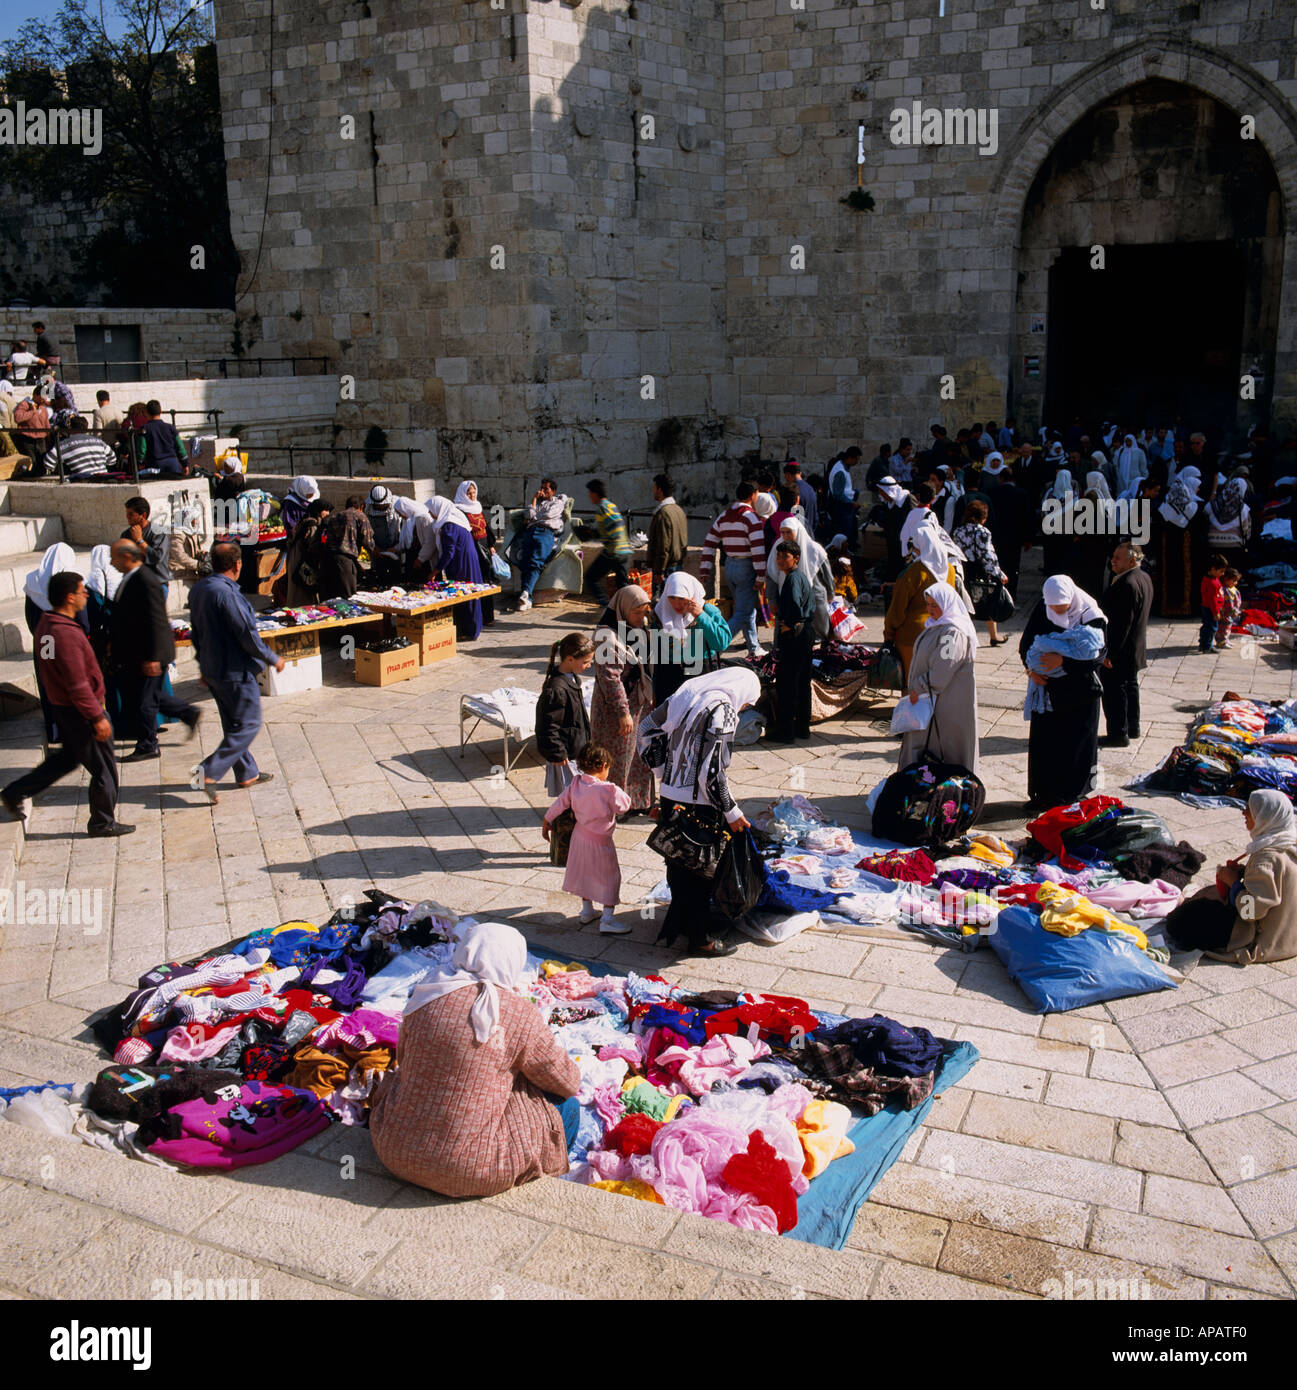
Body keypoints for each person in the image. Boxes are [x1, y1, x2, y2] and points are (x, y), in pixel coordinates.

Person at [369, 921, 581, 1197]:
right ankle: (544, 1184)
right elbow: (566, 1082)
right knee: (568, 1108)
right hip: (470, 1171)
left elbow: (405, 1058)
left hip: (393, 1150)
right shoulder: (518, 1013)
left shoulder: (428, 992)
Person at [638, 667, 761, 958]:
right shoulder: (724, 709)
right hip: (699, 803)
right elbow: (712, 771)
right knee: (700, 873)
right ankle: (700, 939)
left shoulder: (688, 694)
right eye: (749, 702)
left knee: (677, 866)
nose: (745, 707)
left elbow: (645, 729)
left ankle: (680, 924)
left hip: (671, 795)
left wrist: (664, 771)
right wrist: (731, 811)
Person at [1, 571, 132, 837]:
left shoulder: (46, 626)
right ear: (70, 597)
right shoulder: (66, 635)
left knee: (64, 761)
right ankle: (102, 821)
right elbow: (77, 683)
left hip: (65, 709)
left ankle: (14, 792)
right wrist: (96, 716)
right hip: (82, 713)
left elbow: (52, 671)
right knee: (104, 768)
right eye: (82, 591)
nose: (86, 594)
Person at [188, 542, 284, 803]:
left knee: (233, 724)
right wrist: (271, 657)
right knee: (249, 724)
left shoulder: (199, 589)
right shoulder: (227, 594)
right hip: (234, 670)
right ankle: (207, 772)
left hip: (213, 668)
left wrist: (201, 665)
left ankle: (247, 773)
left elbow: (196, 633)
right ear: (238, 565)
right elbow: (246, 634)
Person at [1163, 790, 1297, 964]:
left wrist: (1233, 882)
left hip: (1263, 940)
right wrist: (1243, 873)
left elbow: (1251, 912)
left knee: (1183, 919)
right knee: (1202, 901)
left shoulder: (1265, 858)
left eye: (1250, 809)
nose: (1244, 812)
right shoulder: (1288, 843)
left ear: (1264, 816)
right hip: (1289, 935)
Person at [1019, 575, 1108, 810]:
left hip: (1080, 692)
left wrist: (1063, 661)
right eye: (1054, 608)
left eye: (1063, 608)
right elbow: (1026, 642)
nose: (1058, 614)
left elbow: (1098, 654)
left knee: (1077, 744)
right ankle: (1043, 794)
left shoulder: (1091, 615)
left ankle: (1073, 795)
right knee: (1046, 743)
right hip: (1049, 689)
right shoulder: (1044, 607)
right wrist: (1031, 672)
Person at [108, 540, 200, 761]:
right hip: (137, 652)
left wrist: (153, 657)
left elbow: (155, 621)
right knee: (148, 695)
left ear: (127, 557)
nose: (111, 562)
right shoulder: (131, 578)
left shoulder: (145, 580)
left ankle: (148, 744)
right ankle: (187, 712)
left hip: (149, 654)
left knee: (145, 701)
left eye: (115, 557)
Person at [542, 742, 632, 934]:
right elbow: (624, 806)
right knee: (609, 877)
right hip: (601, 843)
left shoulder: (575, 783)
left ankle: (587, 910)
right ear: (602, 767)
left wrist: (546, 819)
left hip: (579, 837)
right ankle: (607, 919)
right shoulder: (608, 790)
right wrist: (616, 789)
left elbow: (560, 803)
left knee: (584, 874)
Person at [898, 581, 980, 773]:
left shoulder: (952, 634)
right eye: (928, 604)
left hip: (947, 707)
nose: (929, 609)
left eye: (935, 605)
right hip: (932, 702)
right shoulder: (937, 627)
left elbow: (941, 673)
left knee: (946, 750)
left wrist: (916, 687)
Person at [590, 584, 656, 814]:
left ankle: (636, 801)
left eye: (644, 612)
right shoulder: (606, 636)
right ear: (623, 609)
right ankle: (614, 805)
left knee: (638, 755)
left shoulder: (637, 628)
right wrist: (623, 712)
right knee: (617, 758)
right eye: (636, 612)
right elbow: (610, 677)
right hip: (615, 709)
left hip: (638, 703)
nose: (641, 617)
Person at [885, 514, 958, 682]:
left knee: (911, 681)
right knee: (936, 679)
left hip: (913, 635)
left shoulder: (914, 572)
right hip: (943, 632)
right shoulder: (950, 570)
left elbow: (897, 608)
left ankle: (911, 709)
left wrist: (889, 632)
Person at [699, 482, 767, 658]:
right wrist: (761, 574)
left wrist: (705, 568)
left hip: (729, 565)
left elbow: (710, 541)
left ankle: (753, 646)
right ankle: (714, 647)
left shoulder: (724, 516)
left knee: (746, 608)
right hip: (746, 567)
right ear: (753, 495)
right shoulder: (751, 518)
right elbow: (758, 548)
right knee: (743, 611)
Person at [1098, 542, 1154, 747]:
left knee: (1115, 690)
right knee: (1130, 686)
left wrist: (1108, 653)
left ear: (1131, 561)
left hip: (1122, 649)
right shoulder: (1143, 577)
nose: (1113, 560)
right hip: (1135, 647)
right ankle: (1133, 727)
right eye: (1113, 556)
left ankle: (1118, 733)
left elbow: (1122, 624)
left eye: (1118, 558)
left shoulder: (1127, 584)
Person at [650, 571, 731, 704]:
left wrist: (701, 616)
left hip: (700, 673)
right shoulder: (660, 614)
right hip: (669, 675)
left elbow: (721, 643)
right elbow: (656, 655)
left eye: (682, 598)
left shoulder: (708, 611)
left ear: (691, 594)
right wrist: (653, 689)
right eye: (672, 597)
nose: (677, 604)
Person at [536, 632, 594, 797]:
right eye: (586, 662)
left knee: (576, 795)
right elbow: (547, 726)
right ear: (570, 659)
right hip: (565, 755)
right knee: (569, 795)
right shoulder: (556, 689)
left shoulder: (572, 679)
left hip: (574, 748)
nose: (589, 666)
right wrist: (557, 752)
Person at [769, 539, 815, 744]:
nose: (780, 560)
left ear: (796, 558)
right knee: (802, 682)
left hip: (796, 635)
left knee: (787, 683)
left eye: (784, 556)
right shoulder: (798, 577)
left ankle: (786, 731)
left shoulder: (793, 579)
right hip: (804, 634)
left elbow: (796, 605)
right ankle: (802, 728)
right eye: (778, 556)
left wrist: (793, 624)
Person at [419, 495, 483, 640]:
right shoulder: (453, 519)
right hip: (465, 559)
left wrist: (434, 572)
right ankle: (470, 629)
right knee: (467, 593)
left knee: (465, 594)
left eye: (431, 511)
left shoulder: (449, 525)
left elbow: (449, 553)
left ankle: (469, 630)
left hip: (462, 563)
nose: (430, 514)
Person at [766, 514, 832, 638]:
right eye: (783, 532)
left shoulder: (814, 549)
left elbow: (826, 575)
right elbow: (771, 575)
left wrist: (830, 594)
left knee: (818, 632)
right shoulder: (778, 548)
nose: (785, 536)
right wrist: (773, 600)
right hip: (786, 597)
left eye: (788, 532)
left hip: (815, 596)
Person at [953, 499, 1009, 645]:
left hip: (964, 571)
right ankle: (993, 635)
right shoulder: (983, 532)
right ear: (982, 517)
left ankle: (965, 637)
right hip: (981, 571)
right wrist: (1000, 574)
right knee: (988, 601)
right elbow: (988, 556)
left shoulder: (958, 531)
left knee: (966, 604)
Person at [514, 477, 569, 612]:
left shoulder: (557, 503)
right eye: (541, 488)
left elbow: (548, 515)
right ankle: (527, 598)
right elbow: (528, 516)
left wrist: (533, 517)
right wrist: (534, 500)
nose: (542, 491)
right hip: (531, 532)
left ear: (553, 491)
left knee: (536, 561)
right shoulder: (538, 503)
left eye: (546, 489)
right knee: (525, 562)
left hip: (545, 532)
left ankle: (526, 593)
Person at [583, 478, 633, 603]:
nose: (589, 496)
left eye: (590, 493)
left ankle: (606, 605)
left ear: (595, 493)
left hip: (614, 553)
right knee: (623, 587)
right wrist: (592, 533)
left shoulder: (602, 508)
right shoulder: (611, 505)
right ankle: (622, 617)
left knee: (590, 577)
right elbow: (608, 529)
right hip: (623, 551)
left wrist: (613, 546)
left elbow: (614, 528)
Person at [455, 480, 497, 625]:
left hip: (484, 547)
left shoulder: (477, 507)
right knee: (476, 582)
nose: (472, 495)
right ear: (463, 494)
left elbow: (486, 527)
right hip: (472, 548)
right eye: (469, 493)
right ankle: (477, 617)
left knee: (487, 581)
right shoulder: (459, 509)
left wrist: (491, 545)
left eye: (473, 492)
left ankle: (489, 617)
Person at [321, 495, 374, 599]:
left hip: (327, 560)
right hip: (345, 561)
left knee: (330, 599)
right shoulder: (360, 516)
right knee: (348, 598)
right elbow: (367, 541)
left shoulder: (334, 517)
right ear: (361, 506)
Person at [282, 498, 331, 605]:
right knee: (303, 591)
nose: (327, 513)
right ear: (318, 510)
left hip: (295, 557)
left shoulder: (305, 521)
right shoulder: (312, 525)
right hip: (301, 559)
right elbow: (312, 545)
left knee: (295, 590)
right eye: (325, 510)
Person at [646, 473, 687, 598]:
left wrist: (659, 570)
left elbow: (663, 545)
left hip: (666, 569)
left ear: (659, 490)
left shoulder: (663, 513)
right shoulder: (679, 510)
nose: (653, 491)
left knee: (661, 606)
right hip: (678, 565)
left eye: (654, 488)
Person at [122, 497, 171, 588]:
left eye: (131, 514)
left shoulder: (158, 532)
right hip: (134, 585)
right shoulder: (126, 535)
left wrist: (140, 541)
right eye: (127, 514)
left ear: (143, 515)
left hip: (156, 585)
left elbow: (157, 557)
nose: (127, 517)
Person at [1204, 475, 1250, 561]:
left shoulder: (1211, 504)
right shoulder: (1243, 509)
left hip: (1212, 545)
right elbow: (1246, 530)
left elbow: (1205, 519)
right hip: (1233, 547)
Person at [136, 400, 187, 477]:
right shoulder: (171, 428)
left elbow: (142, 449)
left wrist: (140, 463)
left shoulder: (144, 429)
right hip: (173, 463)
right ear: (161, 411)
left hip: (155, 465)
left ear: (146, 413)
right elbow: (180, 447)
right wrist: (185, 464)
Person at [13, 387, 51, 472]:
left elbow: (46, 425)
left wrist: (48, 439)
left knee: (42, 464)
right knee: (32, 463)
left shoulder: (43, 409)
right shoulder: (24, 405)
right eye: (42, 396)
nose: (44, 399)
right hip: (28, 439)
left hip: (41, 440)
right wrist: (32, 412)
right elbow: (17, 418)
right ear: (35, 395)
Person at [826, 447, 861, 541]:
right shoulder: (840, 471)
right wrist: (852, 503)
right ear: (850, 458)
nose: (857, 462)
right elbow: (838, 494)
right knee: (844, 534)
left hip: (845, 506)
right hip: (843, 507)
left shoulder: (843, 466)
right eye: (856, 459)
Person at [1198, 553, 1227, 654]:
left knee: (1207, 626)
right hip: (1211, 608)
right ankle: (1207, 646)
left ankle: (1203, 643)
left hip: (1209, 607)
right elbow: (1212, 599)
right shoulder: (1211, 582)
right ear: (1213, 569)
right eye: (1221, 571)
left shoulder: (1212, 579)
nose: (1223, 574)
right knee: (1211, 628)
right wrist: (1216, 612)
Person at [783, 459, 818, 535]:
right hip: (809, 532)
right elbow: (815, 518)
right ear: (800, 473)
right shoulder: (810, 489)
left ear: (788, 475)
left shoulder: (793, 491)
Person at [1216, 567, 1242, 651]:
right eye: (1234, 580)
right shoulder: (1225, 590)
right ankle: (1221, 642)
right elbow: (1228, 603)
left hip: (1230, 613)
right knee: (1223, 628)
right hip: (1226, 613)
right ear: (1226, 579)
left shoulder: (1231, 589)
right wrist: (1232, 611)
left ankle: (1225, 640)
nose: (1236, 583)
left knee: (1228, 628)